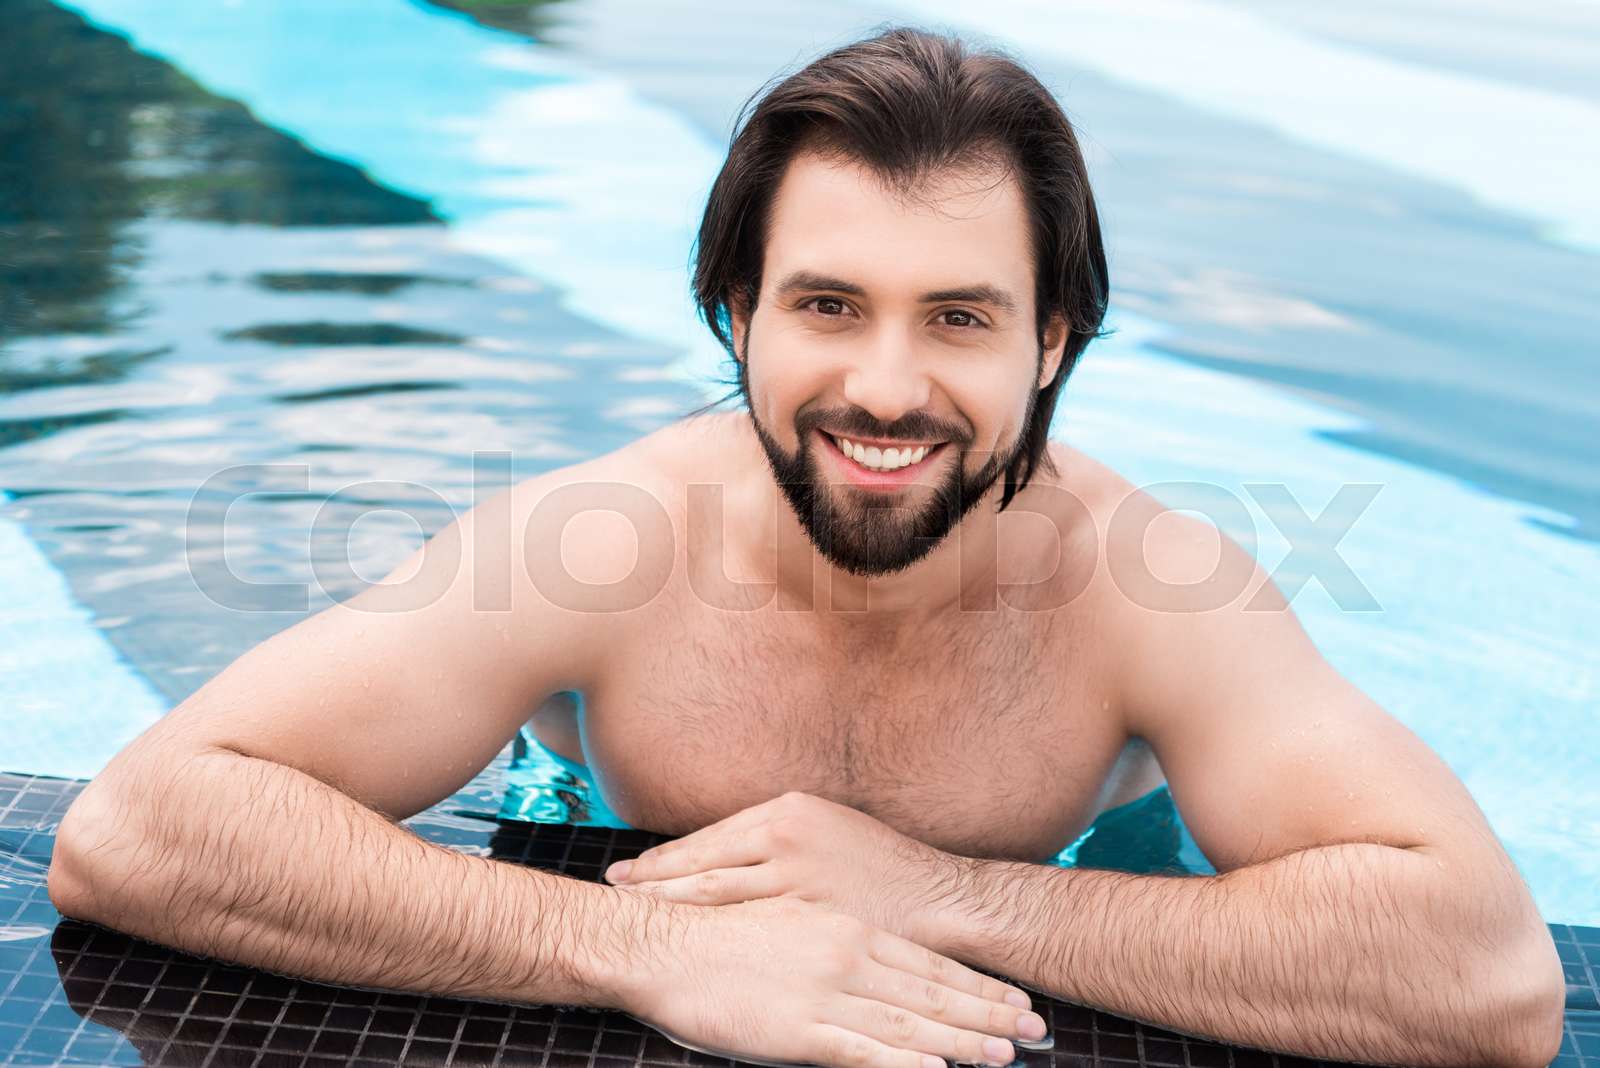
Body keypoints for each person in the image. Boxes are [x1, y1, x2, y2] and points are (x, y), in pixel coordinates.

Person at [47, 25, 1563, 1068]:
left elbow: (1492, 984)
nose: (887, 388)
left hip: (1084, 880)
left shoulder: (1150, 593)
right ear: (737, 315)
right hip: (595, 854)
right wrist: (630, 952)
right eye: (829, 305)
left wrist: (944, 895)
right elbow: (139, 828)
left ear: (1052, 340)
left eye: (957, 318)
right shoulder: (601, 543)